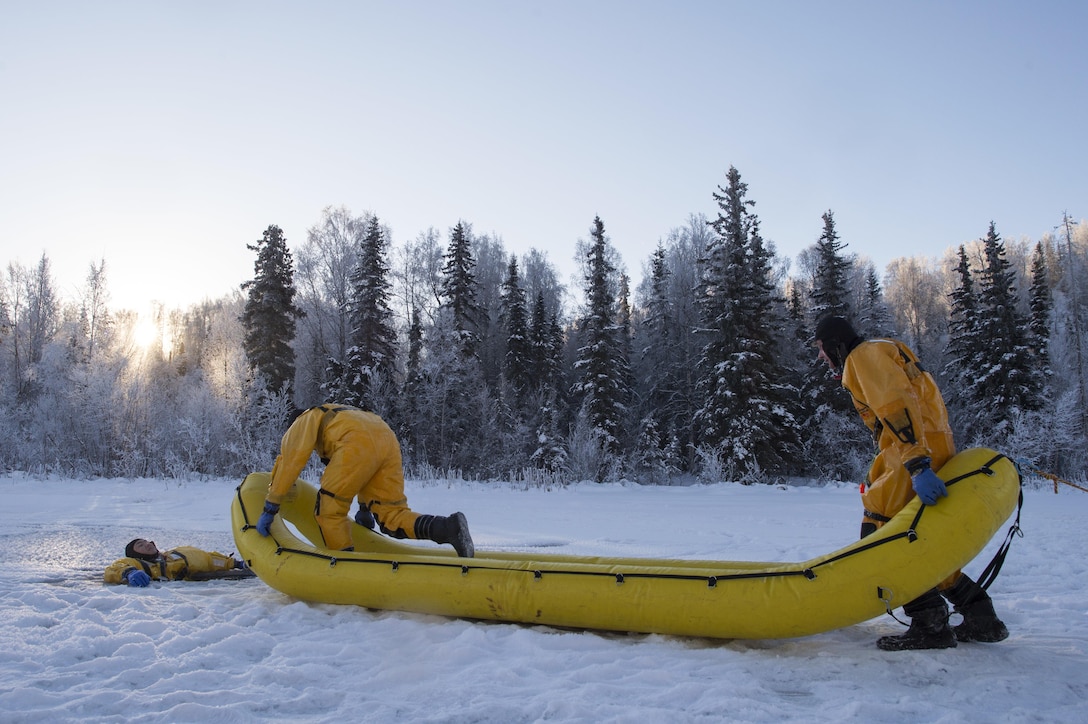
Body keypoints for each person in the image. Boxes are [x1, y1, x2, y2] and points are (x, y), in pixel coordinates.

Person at [813, 315, 1008, 651]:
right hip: (927, 443)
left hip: (913, 449)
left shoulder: (863, 356)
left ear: (835, 343)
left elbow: (896, 404)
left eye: (820, 348)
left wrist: (916, 464)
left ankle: (929, 623)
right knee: (922, 538)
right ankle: (980, 614)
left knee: (882, 533)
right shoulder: (887, 349)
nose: (820, 356)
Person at [256, 403, 475, 558]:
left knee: (328, 511)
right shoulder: (338, 412)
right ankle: (448, 527)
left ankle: (344, 567)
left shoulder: (304, 419)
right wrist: (363, 507)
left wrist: (271, 506)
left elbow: (290, 463)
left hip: (358, 441)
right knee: (392, 516)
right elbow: (362, 463)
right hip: (386, 437)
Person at [104, 538, 254, 586]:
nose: (147, 545)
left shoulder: (177, 554)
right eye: (141, 546)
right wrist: (129, 572)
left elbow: (209, 560)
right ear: (136, 554)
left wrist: (236, 564)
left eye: (146, 542)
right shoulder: (135, 563)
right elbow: (114, 568)